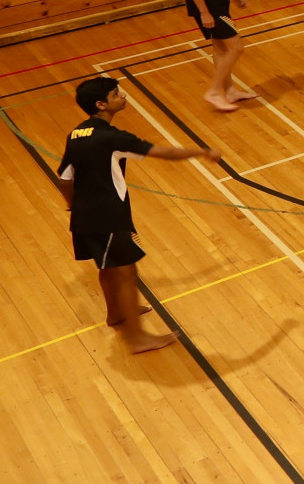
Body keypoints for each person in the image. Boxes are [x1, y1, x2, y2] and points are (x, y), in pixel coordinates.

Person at [55, 76, 217, 354]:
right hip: (107, 216)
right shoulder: (113, 138)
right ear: (101, 104)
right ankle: (136, 338)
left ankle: (116, 314)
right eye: (117, 94)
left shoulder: (76, 133)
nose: (124, 96)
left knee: (107, 267)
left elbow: (64, 179)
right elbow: (165, 153)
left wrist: (73, 206)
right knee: (127, 272)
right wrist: (202, 151)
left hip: (85, 215)